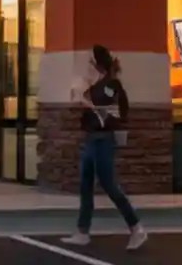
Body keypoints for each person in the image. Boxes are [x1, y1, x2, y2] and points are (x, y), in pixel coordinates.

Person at [61, 44, 148, 251]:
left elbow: (114, 112)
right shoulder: (93, 85)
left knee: (109, 185)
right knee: (85, 185)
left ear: (96, 64)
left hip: (103, 140)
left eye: (89, 62)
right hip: (91, 140)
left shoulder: (111, 85)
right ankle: (83, 231)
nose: (87, 66)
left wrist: (90, 104)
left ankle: (136, 227)